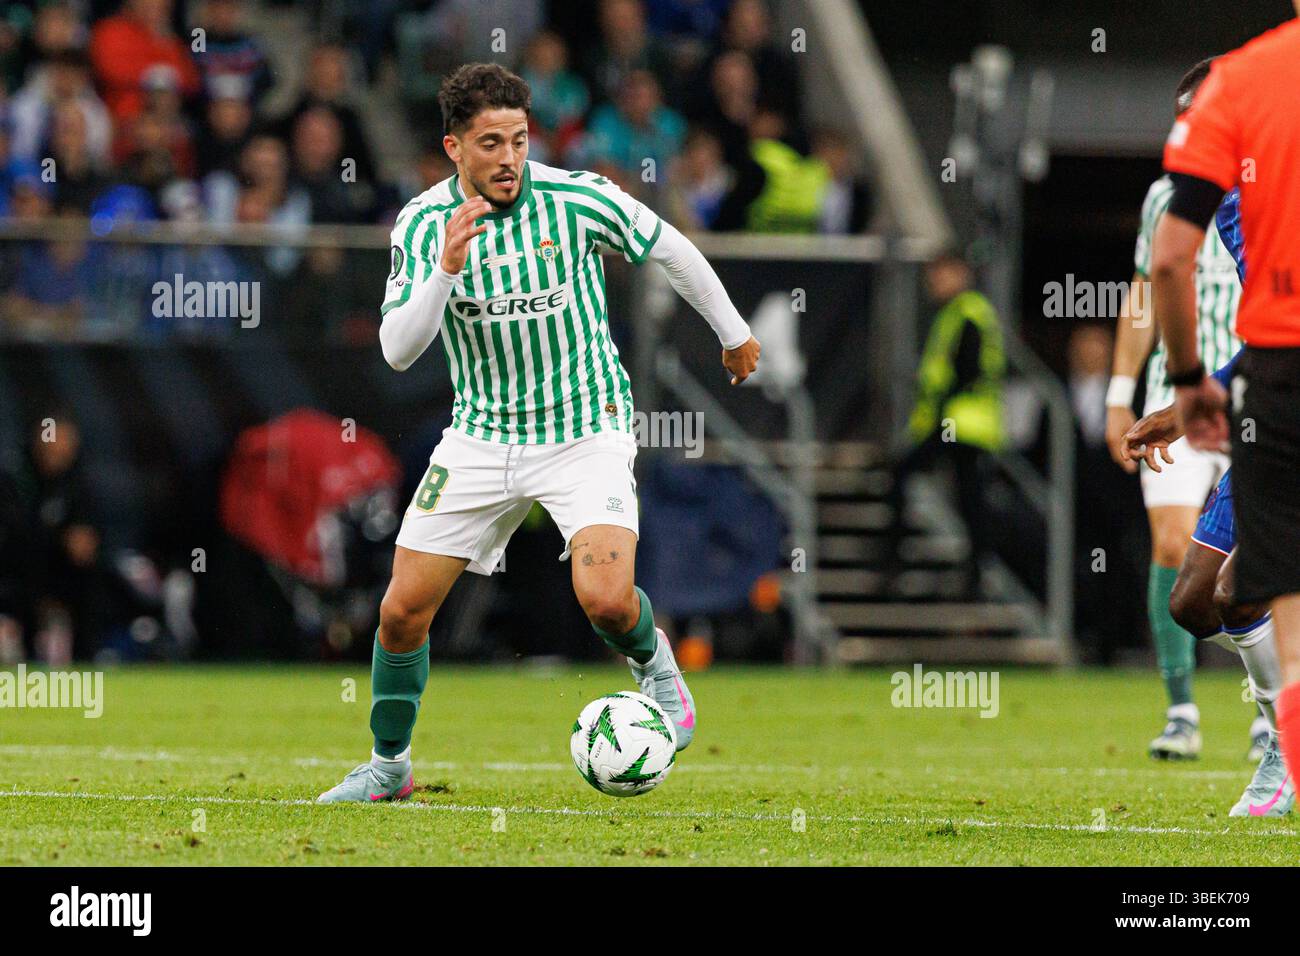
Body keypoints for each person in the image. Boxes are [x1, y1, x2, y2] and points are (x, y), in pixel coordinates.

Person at [317, 62, 761, 803]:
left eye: (519, 140)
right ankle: (389, 769)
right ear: (454, 148)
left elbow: (671, 247)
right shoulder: (426, 225)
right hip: (481, 437)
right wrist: (446, 273)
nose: (509, 158)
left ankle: (660, 675)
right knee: (400, 612)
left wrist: (734, 332)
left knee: (607, 600)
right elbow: (398, 350)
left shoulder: (576, 198)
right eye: (490, 142)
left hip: (586, 428)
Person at [1152, 8, 1300, 790]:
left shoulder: (1268, 186)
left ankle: (1283, 751)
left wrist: (1186, 393)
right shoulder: (1221, 211)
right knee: (1195, 600)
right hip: (1267, 394)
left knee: (1249, 584)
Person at [1104, 59, 1242, 760]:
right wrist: (1117, 393)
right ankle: (1183, 709)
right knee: (1175, 550)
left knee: (1259, 562)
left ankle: (1269, 711)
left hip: (1257, 388)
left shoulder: (1275, 183)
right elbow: (1144, 294)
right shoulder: (1166, 197)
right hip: (1180, 389)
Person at [1123, 347, 1293, 816]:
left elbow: (1167, 270)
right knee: (1192, 602)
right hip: (1268, 435)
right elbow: (1267, 338)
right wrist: (1183, 412)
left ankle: (1287, 745)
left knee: (1238, 593)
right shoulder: (1259, 276)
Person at [884, 250, 1005, 598]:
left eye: (940, 274)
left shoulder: (968, 312)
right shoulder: (957, 313)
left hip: (960, 424)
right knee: (969, 498)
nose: (933, 283)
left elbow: (967, 369)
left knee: (903, 474)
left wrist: (937, 404)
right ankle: (973, 573)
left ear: (960, 274)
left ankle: (897, 560)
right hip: (962, 424)